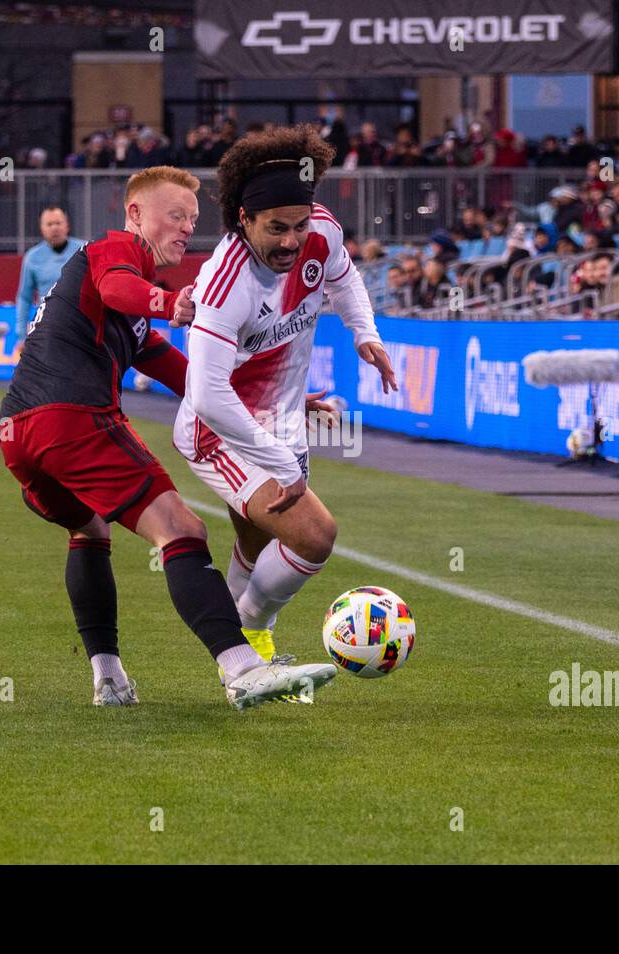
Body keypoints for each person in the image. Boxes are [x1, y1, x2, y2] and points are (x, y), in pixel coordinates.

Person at [0, 165, 338, 709]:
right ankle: (242, 669)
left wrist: (293, 401)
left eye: (193, 219)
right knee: (182, 529)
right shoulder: (112, 250)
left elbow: (187, 375)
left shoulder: (129, 311)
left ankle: (108, 675)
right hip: (72, 418)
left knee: (89, 530)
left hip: (18, 434)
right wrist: (165, 303)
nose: (186, 228)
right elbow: (117, 285)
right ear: (135, 214)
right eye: (175, 215)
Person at [173, 124, 397, 673]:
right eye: (277, 229)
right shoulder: (224, 284)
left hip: (280, 422)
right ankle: (246, 635)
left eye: (299, 226)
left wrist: (364, 333)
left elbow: (344, 280)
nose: (292, 242)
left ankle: (242, 664)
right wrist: (277, 460)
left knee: (253, 546)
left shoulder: (320, 232)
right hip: (218, 431)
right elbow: (206, 394)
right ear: (243, 220)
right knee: (315, 535)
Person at [14, 205, 85, 346]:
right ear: (42, 228)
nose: (54, 228)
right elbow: (24, 297)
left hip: (81, 325)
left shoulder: (84, 250)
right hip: (47, 327)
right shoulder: (32, 258)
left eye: (58, 223)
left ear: (67, 225)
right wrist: (21, 335)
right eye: (49, 224)